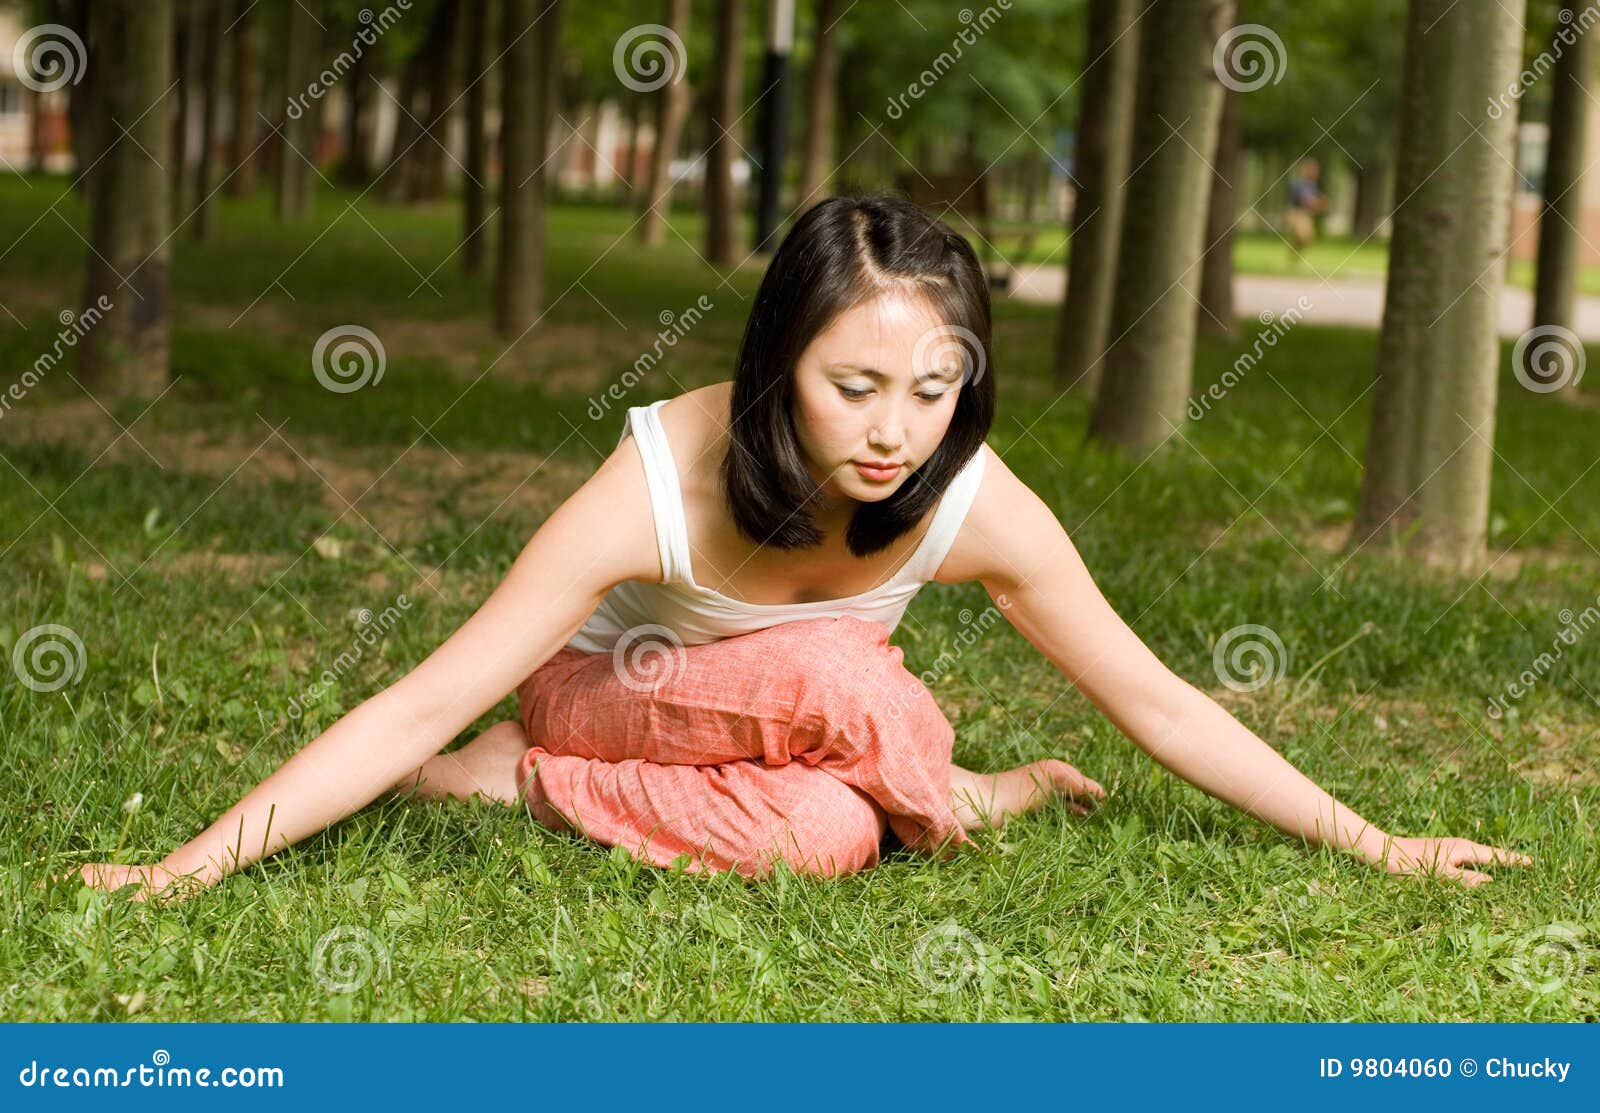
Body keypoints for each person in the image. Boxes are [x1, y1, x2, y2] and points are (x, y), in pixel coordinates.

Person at [72, 194, 1531, 899]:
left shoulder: (968, 496)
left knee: (832, 836)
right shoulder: (657, 478)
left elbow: (1153, 698)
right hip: (610, 694)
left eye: (935, 388)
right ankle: (922, 791)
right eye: (856, 386)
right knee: (852, 680)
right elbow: (416, 699)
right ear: (780, 363)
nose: (897, 431)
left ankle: (531, 790)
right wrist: (179, 872)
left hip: (803, 742)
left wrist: (1379, 842)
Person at [1284, 157, 1329, 265]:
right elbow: (1307, 201)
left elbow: (1312, 201)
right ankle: (1293, 258)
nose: (1316, 172)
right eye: (1313, 169)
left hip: (1304, 214)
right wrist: (1321, 204)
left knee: (1307, 238)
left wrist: (1320, 203)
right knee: (1304, 236)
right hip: (1296, 213)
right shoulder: (1300, 184)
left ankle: (1293, 258)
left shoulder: (1312, 184)